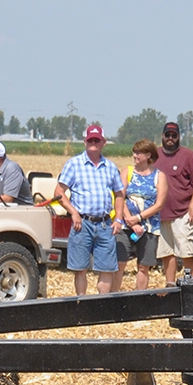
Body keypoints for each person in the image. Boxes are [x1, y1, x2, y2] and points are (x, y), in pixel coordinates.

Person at [55, 124, 126, 295]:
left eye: (97, 140)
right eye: (90, 140)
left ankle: (101, 306)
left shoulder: (110, 167)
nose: (93, 143)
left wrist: (118, 219)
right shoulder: (74, 164)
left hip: (104, 224)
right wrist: (73, 213)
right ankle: (82, 304)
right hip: (82, 223)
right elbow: (58, 192)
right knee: (80, 268)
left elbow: (119, 194)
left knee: (107, 268)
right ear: (84, 141)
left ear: (103, 142)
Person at [153, 122, 193, 283]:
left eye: (173, 135)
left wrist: (192, 205)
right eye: (167, 135)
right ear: (162, 136)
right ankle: (170, 288)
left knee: (187, 253)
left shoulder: (189, 156)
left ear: (179, 137)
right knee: (166, 254)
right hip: (160, 215)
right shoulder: (154, 155)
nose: (170, 138)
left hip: (182, 213)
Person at [118, 139, 168, 290]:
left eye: (139, 153)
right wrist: (130, 220)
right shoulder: (127, 172)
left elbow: (159, 204)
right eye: (134, 152)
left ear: (148, 155)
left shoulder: (159, 176)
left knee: (143, 267)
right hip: (126, 226)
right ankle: (113, 299)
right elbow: (120, 197)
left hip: (149, 227)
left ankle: (140, 298)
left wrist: (139, 218)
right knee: (119, 263)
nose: (135, 155)